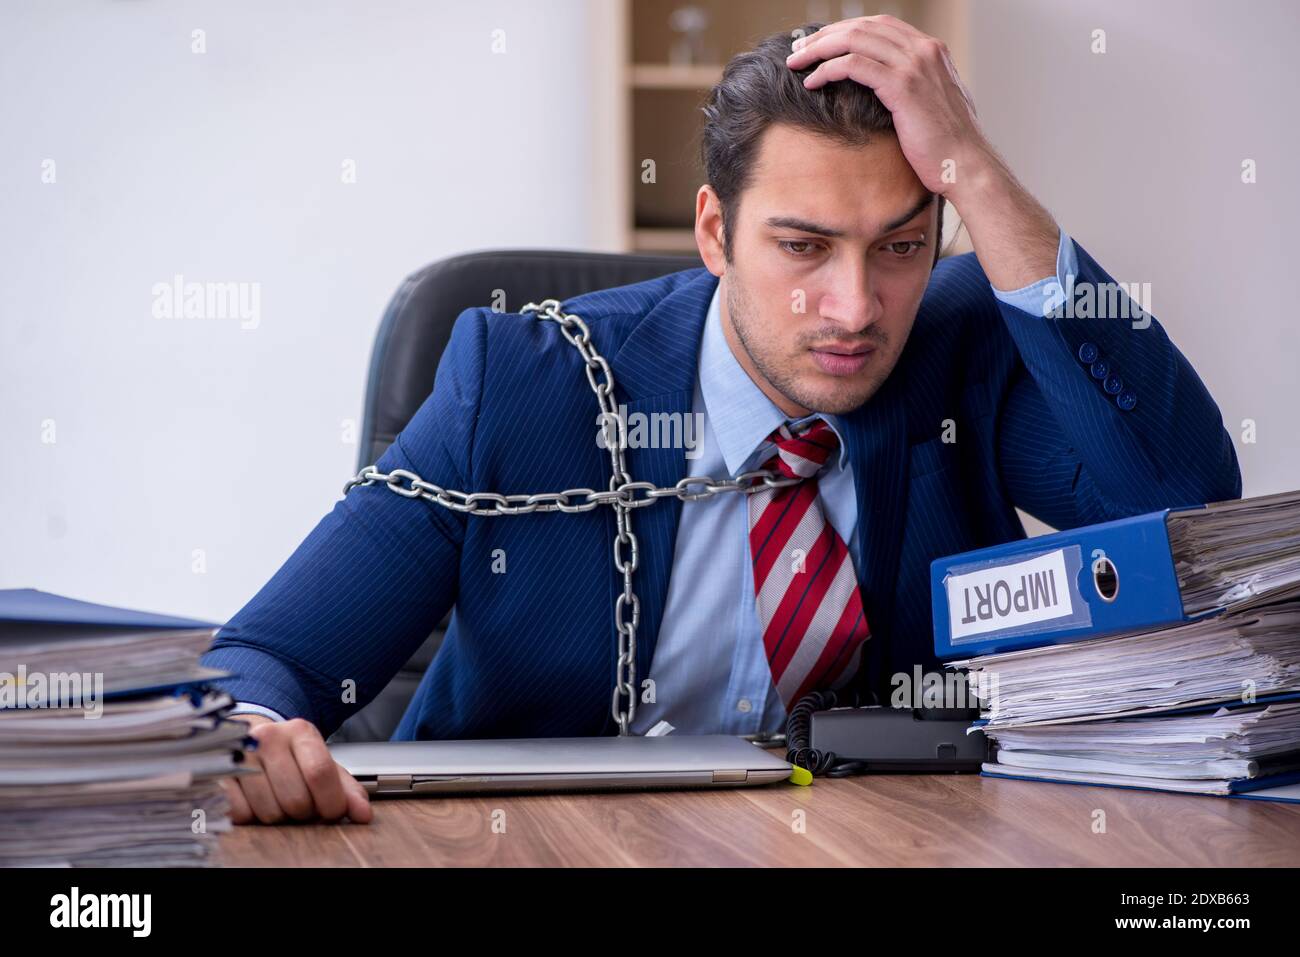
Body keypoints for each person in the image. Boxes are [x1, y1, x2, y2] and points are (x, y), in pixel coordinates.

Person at [203, 16, 1241, 824]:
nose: (854, 308)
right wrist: (251, 734)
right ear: (713, 231)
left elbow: (1183, 506)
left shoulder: (958, 349)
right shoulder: (518, 381)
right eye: (802, 247)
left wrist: (973, 166)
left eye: (898, 247)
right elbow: (272, 658)